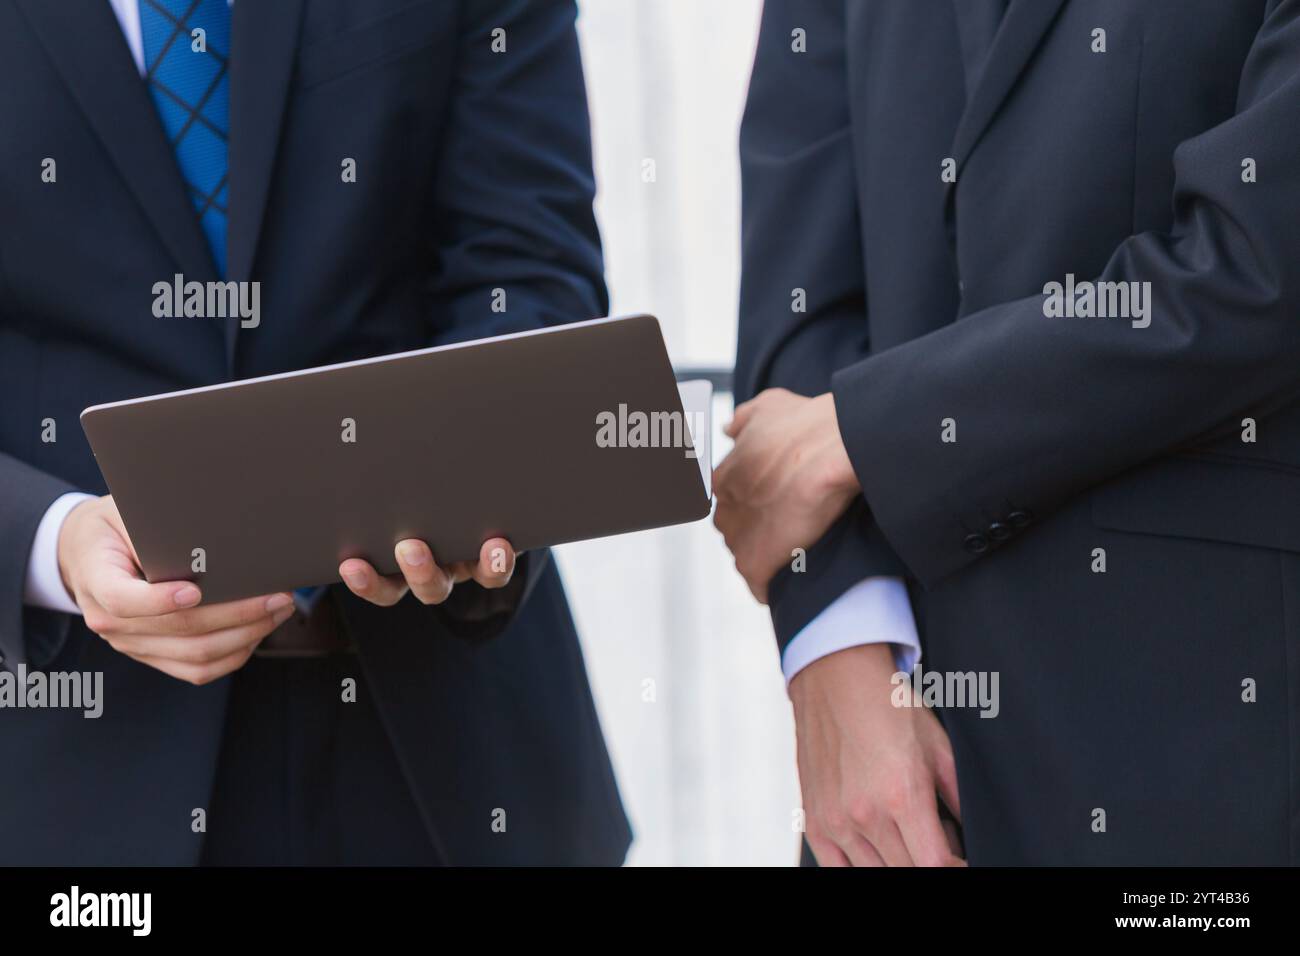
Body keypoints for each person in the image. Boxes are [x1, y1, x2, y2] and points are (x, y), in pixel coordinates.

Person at [0, 0, 628, 865]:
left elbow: (526, 268)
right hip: (65, 771)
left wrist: (460, 480)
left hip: (449, 760)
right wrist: (50, 537)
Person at [717, 0, 1300, 865]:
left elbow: (1264, 267)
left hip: (1207, 766)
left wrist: (867, 432)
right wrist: (837, 651)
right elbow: (799, 310)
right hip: (896, 790)